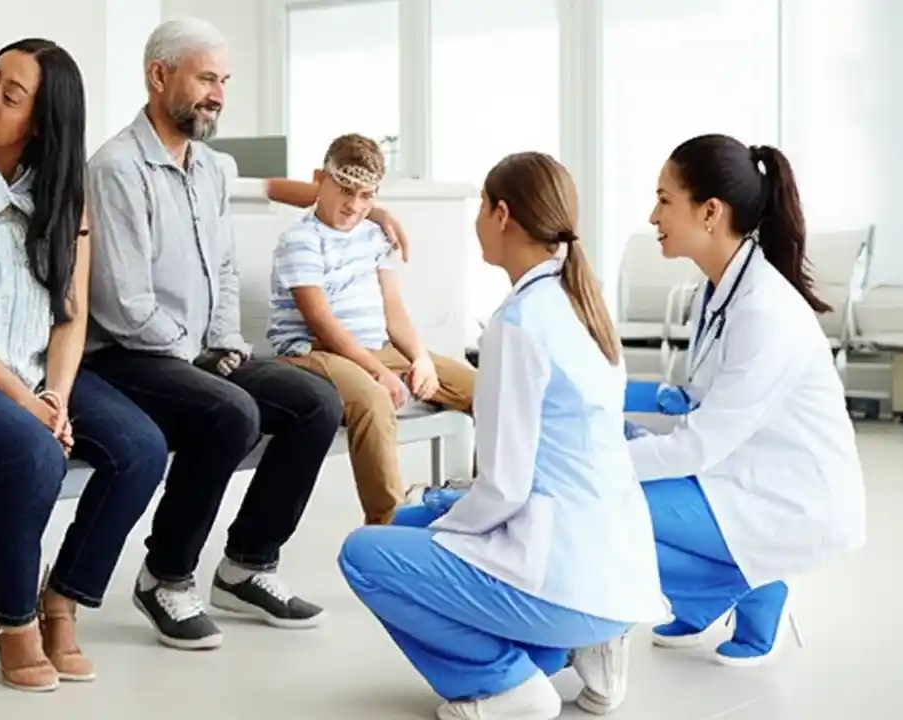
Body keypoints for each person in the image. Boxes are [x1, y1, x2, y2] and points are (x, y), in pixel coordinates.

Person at [339, 152, 666, 720]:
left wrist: (445, 523)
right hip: (620, 574)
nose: (476, 223)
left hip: (564, 577)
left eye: (481, 209)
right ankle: (584, 648)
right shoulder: (583, 305)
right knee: (411, 523)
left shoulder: (518, 324)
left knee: (365, 553)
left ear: (501, 214)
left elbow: (505, 489)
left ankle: (506, 686)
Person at [0, 39, 168, 691]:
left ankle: (62, 600)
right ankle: (13, 622)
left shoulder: (65, 191)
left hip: (38, 378)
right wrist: (25, 399)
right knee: (34, 453)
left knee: (141, 448)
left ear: (42, 121)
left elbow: (69, 314)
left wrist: (59, 396)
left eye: (9, 95)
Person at [82, 17, 344, 651]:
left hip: (199, 350)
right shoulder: (117, 167)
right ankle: (165, 577)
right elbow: (123, 304)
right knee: (230, 413)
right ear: (158, 76)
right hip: (125, 355)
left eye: (223, 80)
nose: (218, 93)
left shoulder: (213, 169)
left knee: (317, 403)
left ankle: (247, 565)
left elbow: (224, 268)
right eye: (206, 78)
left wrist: (224, 342)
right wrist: (200, 359)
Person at [626, 134, 866, 666]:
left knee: (603, 499)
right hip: (739, 471)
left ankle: (755, 582)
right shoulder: (717, 289)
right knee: (617, 458)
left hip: (788, 498)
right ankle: (724, 586)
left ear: (710, 212)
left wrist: (597, 461)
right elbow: (697, 398)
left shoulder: (765, 310)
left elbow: (697, 446)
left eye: (664, 199)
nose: (652, 214)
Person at [268, 133, 476, 526]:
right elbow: (323, 324)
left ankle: (484, 514)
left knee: (487, 390)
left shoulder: (373, 235)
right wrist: (379, 372)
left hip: (371, 347)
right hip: (311, 352)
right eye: (346, 190)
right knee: (373, 398)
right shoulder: (300, 239)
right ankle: (388, 526)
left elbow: (393, 312)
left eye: (367, 196)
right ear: (320, 179)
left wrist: (420, 358)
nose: (354, 205)